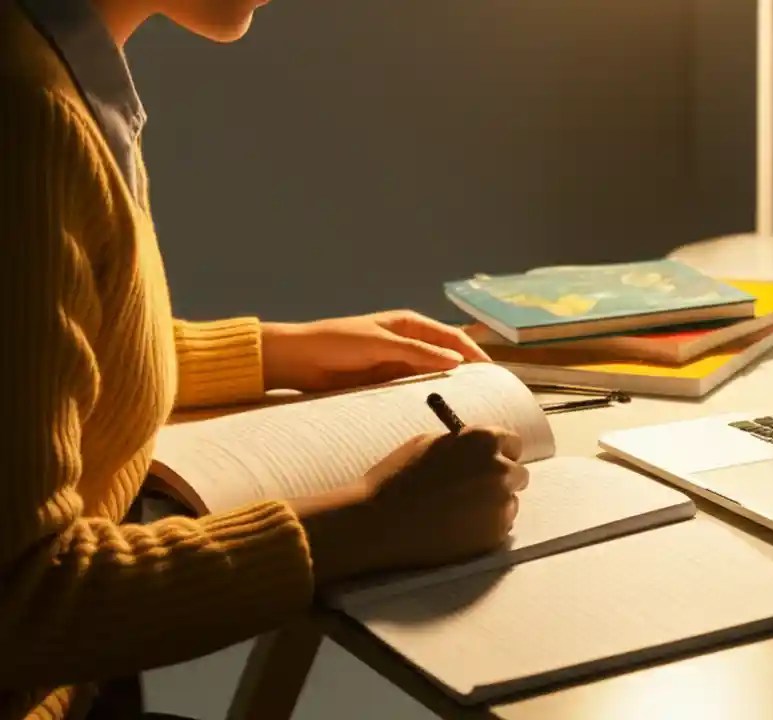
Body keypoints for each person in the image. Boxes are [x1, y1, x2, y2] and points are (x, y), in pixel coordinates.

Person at [0, 1, 530, 718]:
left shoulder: (45, 62)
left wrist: (268, 354)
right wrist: (366, 522)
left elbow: (52, 356)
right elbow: (21, 600)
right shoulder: (26, 117)